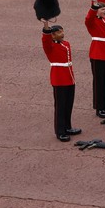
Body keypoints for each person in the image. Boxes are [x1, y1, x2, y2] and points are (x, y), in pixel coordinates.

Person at [39, 14, 80, 142]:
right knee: (60, 106)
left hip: (69, 77)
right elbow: (45, 39)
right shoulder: (50, 46)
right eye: (58, 32)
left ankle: (67, 127)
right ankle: (60, 131)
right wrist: (46, 25)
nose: (62, 34)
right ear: (53, 35)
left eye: (62, 31)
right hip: (59, 78)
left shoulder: (66, 44)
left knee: (68, 104)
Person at [84, 0, 105, 119]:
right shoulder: (92, 21)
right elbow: (88, 18)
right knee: (99, 82)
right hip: (97, 54)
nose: (104, 11)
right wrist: (94, 6)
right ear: (96, 11)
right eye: (102, 9)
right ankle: (99, 107)